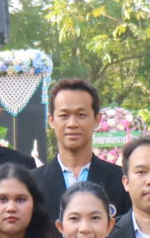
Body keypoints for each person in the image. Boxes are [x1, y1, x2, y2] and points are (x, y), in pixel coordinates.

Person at [32, 79, 131, 219]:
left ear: (97, 120)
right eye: (64, 115)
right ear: (51, 120)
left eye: (81, 115)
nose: (72, 124)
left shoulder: (121, 181)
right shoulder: (32, 183)